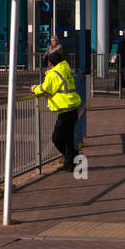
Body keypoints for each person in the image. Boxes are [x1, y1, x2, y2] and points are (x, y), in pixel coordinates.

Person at [33, 44, 83, 172]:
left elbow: (46, 89)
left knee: (57, 138)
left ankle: (72, 157)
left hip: (65, 110)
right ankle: (69, 164)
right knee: (68, 138)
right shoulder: (65, 70)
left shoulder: (55, 74)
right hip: (72, 108)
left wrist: (33, 89)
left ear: (51, 64)